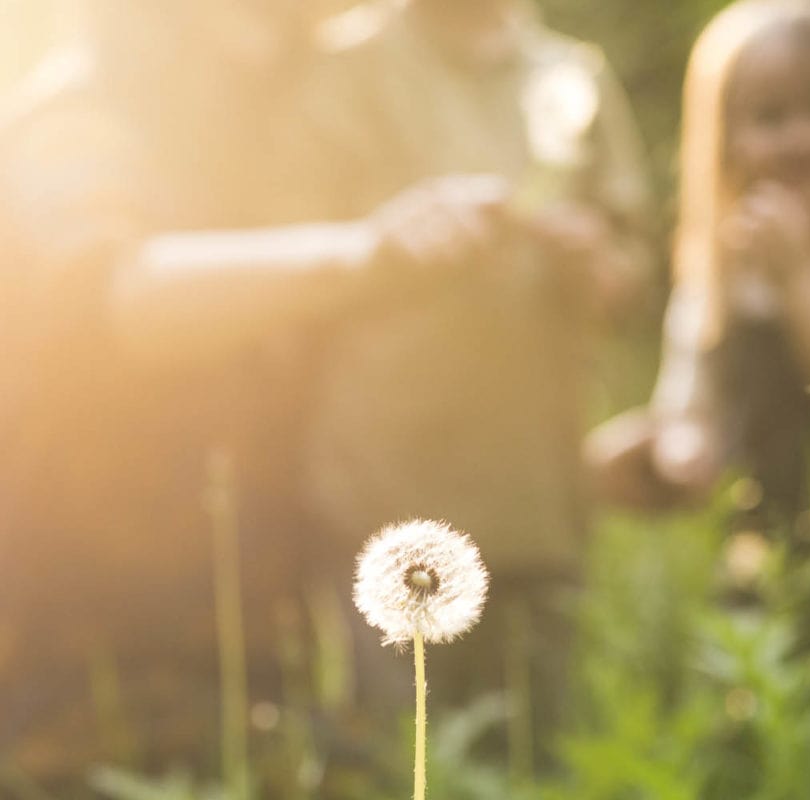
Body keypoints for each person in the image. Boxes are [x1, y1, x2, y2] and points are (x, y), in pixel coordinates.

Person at [107, 0, 654, 769]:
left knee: (536, 758)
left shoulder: (574, 75)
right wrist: (390, 251)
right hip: (379, 497)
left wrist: (590, 261)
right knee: (396, 760)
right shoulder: (339, 70)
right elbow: (287, 271)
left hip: (539, 502)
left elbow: (628, 281)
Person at [0, 0, 380, 784]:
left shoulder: (254, 139)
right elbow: (109, 297)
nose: (267, 46)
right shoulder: (78, 115)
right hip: (84, 637)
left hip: (244, 627)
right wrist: (366, 257)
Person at [587, 0, 810, 533]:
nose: (801, 137)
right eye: (770, 117)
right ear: (725, 140)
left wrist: (801, 282)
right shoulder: (722, 270)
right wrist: (679, 451)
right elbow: (690, 408)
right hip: (753, 560)